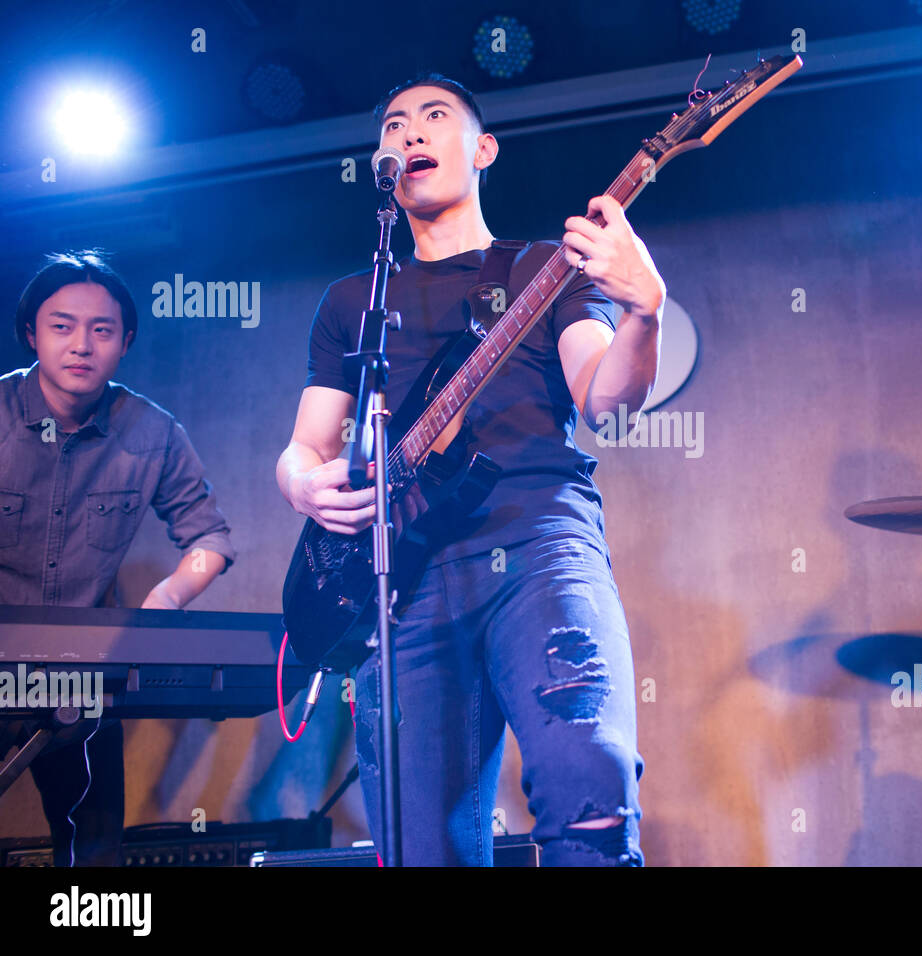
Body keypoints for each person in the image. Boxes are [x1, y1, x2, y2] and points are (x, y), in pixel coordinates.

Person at [276, 74, 663, 865]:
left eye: (434, 117)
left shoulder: (542, 268)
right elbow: (304, 447)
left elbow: (607, 401)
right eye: (394, 125)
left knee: (588, 778)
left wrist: (644, 311)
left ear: (482, 149)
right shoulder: (354, 301)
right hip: (403, 580)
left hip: (539, 545)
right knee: (423, 844)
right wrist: (302, 484)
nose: (411, 133)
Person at [0, 250, 236, 865]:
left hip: (88, 671)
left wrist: (167, 599)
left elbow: (211, 540)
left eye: (101, 330)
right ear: (31, 333)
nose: (81, 345)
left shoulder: (153, 433)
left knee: (94, 855)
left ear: (125, 341)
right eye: (62, 326)